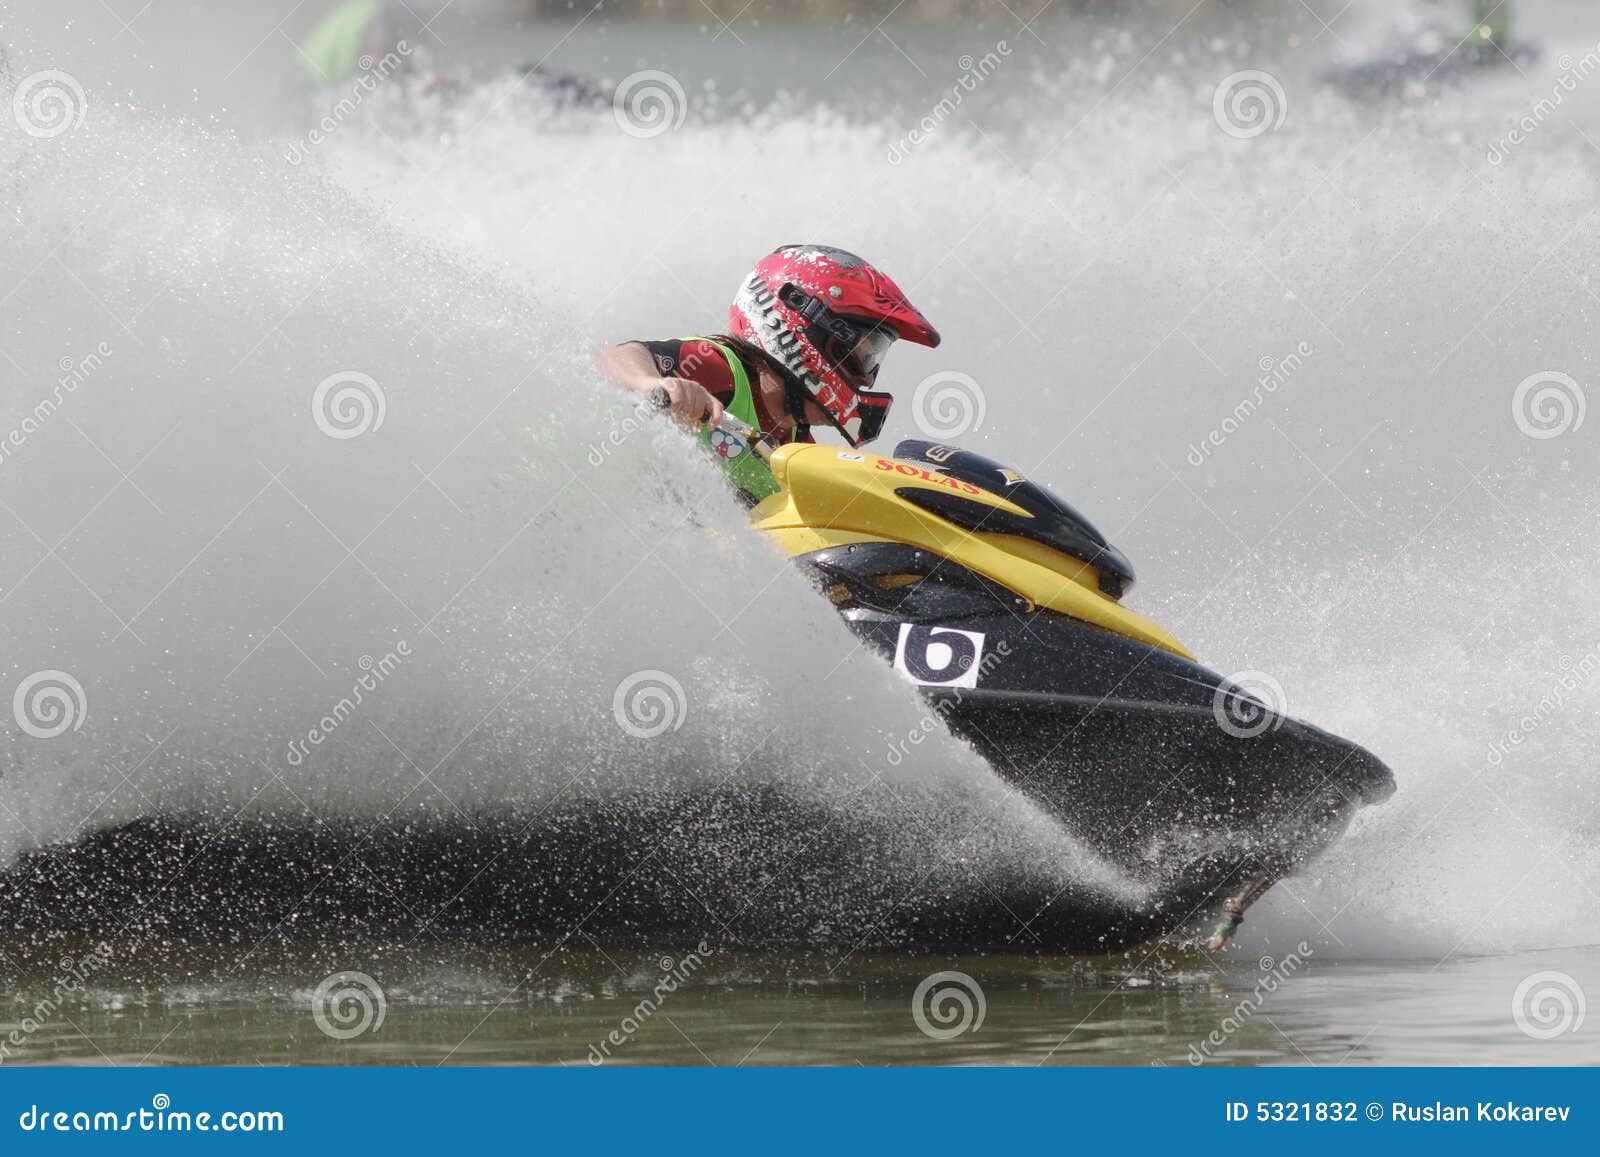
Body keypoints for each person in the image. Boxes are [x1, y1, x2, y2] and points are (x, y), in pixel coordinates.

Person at [597, 244, 940, 502]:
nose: (866, 378)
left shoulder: (796, 449)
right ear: (799, 327)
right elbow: (615, 358)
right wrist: (654, 384)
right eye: (860, 353)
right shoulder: (716, 369)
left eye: (874, 358)